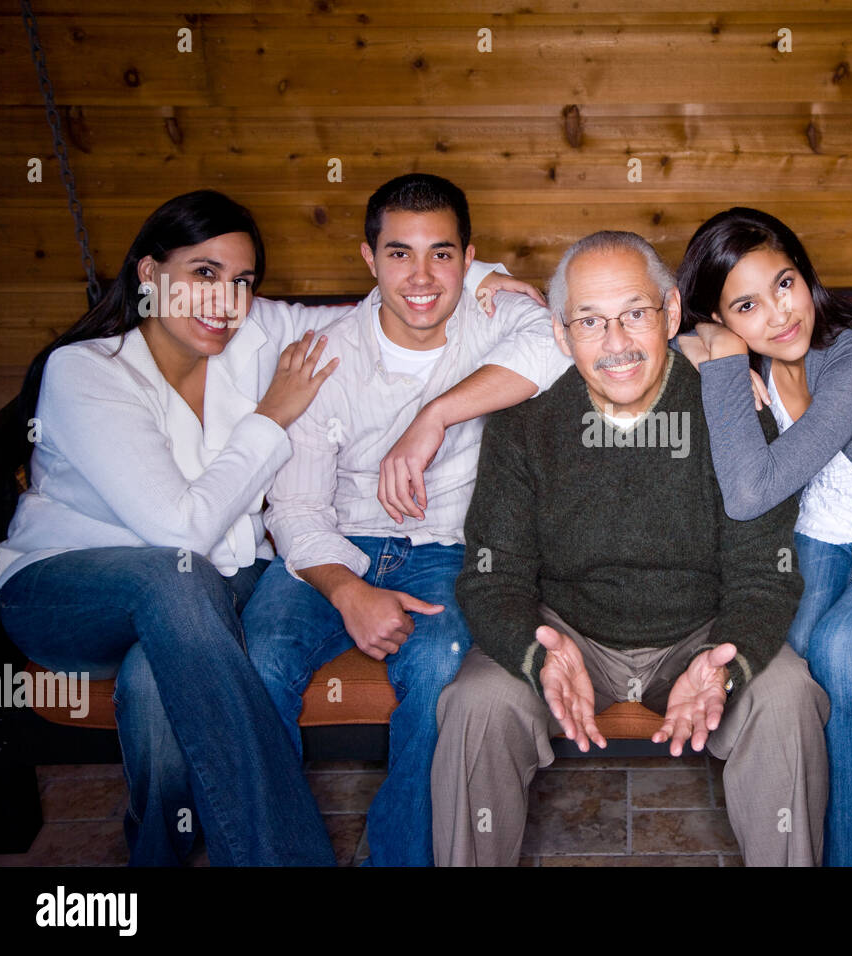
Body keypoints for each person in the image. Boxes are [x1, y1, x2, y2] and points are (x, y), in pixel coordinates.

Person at [432, 230, 830, 866]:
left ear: (672, 314)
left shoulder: (728, 409)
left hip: (701, 632)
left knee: (788, 696)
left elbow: (764, 575)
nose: (615, 344)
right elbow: (492, 577)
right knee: (475, 703)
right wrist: (537, 655)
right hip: (567, 635)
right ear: (560, 337)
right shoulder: (522, 423)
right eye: (589, 322)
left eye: (635, 315)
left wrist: (728, 665)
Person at [0, 189, 340, 865]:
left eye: (241, 282)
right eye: (203, 274)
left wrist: (485, 282)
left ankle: (156, 857)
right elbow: (178, 533)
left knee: (157, 676)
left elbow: (384, 303)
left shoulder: (256, 337)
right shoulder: (87, 372)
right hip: (65, 591)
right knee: (171, 573)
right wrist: (271, 417)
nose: (225, 301)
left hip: (203, 597)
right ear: (150, 275)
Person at [241, 173, 572, 867]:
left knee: (440, 664)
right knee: (260, 660)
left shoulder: (494, 319)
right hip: (331, 548)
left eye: (442, 255)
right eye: (399, 254)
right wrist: (347, 589)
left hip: (444, 545)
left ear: (467, 256)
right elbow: (296, 508)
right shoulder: (324, 354)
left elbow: (557, 341)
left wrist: (435, 414)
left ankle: (397, 858)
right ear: (369, 259)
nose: (421, 276)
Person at [674, 207, 852, 866]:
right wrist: (699, 340)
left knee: (842, 648)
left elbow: (751, 493)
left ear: (804, 273)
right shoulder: (752, 350)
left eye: (785, 284)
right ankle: (790, 843)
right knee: (769, 663)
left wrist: (725, 361)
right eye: (747, 306)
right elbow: (668, 324)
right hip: (822, 533)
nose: (779, 315)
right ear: (720, 314)